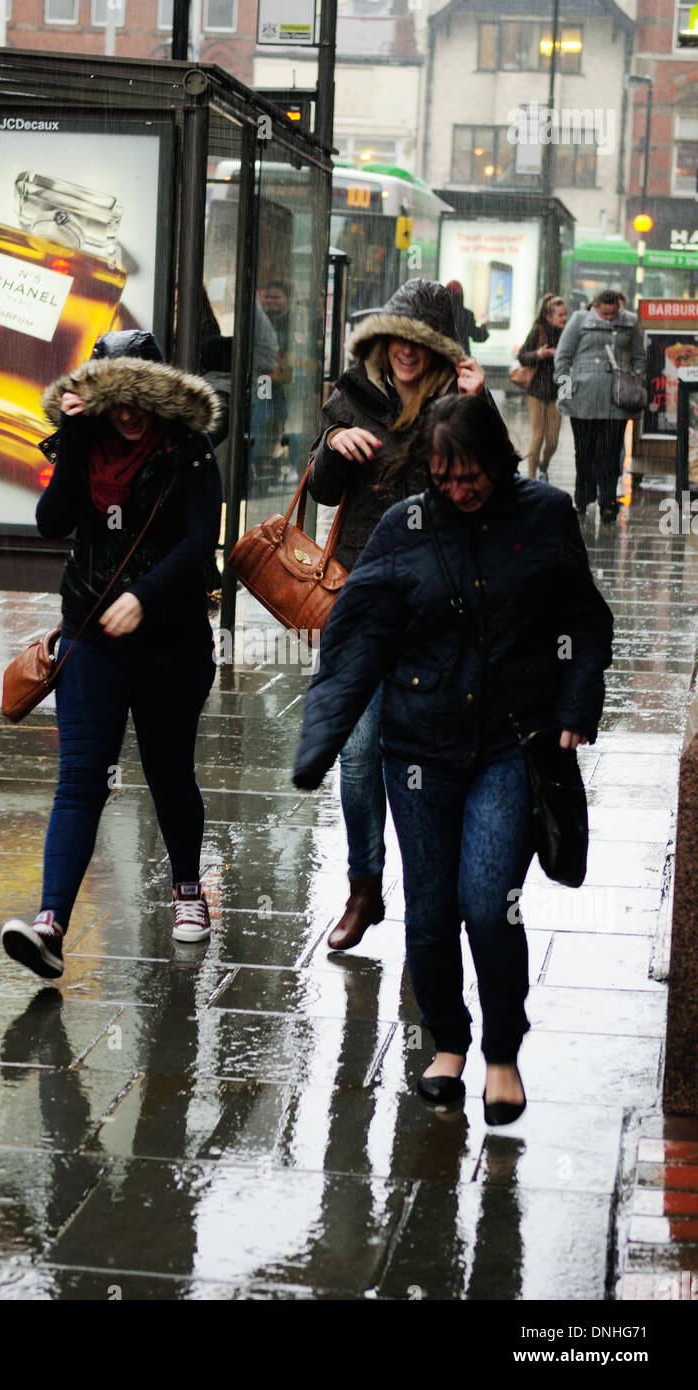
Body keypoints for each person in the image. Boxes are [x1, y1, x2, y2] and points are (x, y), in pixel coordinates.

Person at [293, 393, 613, 1124]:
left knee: (486, 903)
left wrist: (574, 705)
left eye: (471, 476)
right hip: (419, 749)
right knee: (429, 911)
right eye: (443, 478)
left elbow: (584, 620)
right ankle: (447, 1044)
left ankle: (501, 1052)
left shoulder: (543, 513)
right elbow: (355, 637)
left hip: (510, 742)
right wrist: (320, 743)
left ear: (497, 461)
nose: (459, 490)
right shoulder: (406, 527)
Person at [1, 330, 222, 978]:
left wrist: (146, 596)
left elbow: (199, 540)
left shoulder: (189, 449)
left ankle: (187, 890)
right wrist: (70, 440)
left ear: (158, 394)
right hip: (89, 636)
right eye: (114, 398)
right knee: (80, 780)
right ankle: (50, 925)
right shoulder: (87, 441)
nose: (126, 412)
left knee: (168, 771)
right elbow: (52, 521)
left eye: (138, 398)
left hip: (172, 639)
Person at [307, 278, 486, 952]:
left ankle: (427, 904)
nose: (405, 351)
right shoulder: (350, 396)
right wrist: (332, 446)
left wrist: (479, 407)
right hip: (359, 599)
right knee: (356, 757)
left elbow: (496, 492)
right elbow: (324, 491)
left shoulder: (456, 405)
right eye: (396, 336)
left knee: (425, 763)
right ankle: (362, 888)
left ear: (437, 348)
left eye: (420, 340)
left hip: (438, 609)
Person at [554, 288, 645, 522]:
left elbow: (639, 357)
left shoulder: (631, 322)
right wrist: (565, 391)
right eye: (604, 314)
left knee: (610, 453)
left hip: (616, 401)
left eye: (613, 314)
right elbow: (563, 356)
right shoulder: (578, 320)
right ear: (595, 307)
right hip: (583, 398)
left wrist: (635, 380)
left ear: (619, 308)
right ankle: (582, 498)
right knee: (584, 452)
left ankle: (607, 502)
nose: (609, 318)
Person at [516, 293, 568, 483]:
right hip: (537, 389)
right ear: (548, 316)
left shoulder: (567, 334)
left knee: (552, 439)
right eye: (560, 315)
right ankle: (531, 478)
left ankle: (544, 466)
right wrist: (540, 353)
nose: (564, 318)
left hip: (558, 390)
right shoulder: (538, 331)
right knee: (537, 436)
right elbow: (522, 356)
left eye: (565, 314)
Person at [445, 280, 490, 356]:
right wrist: (484, 324)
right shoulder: (467, 315)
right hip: (462, 359)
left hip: (444, 359)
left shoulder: (440, 313)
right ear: (461, 295)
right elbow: (478, 337)